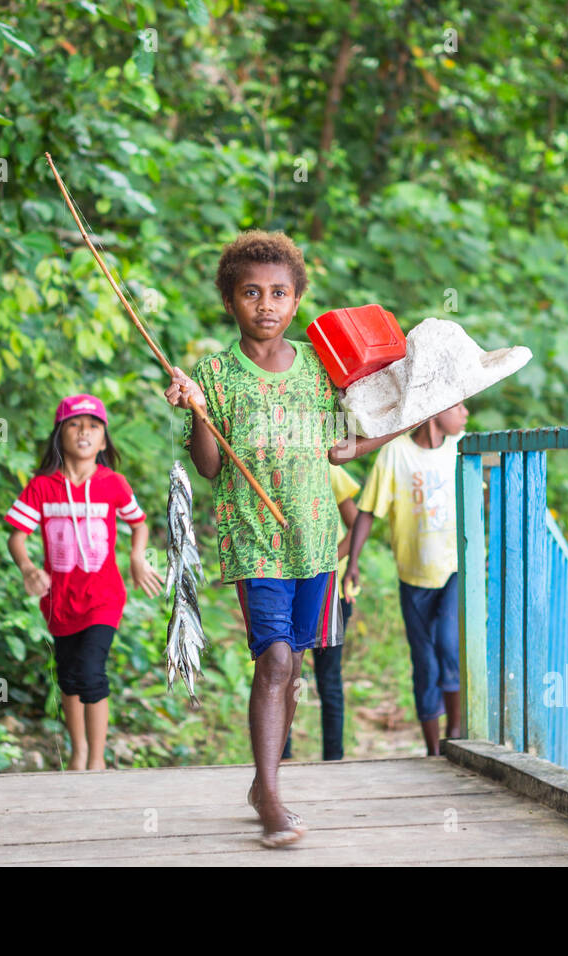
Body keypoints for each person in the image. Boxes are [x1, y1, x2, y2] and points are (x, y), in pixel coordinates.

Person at [163, 230, 413, 847]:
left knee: (293, 662)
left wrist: (372, 437)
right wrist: (198, 411)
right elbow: (210, 467)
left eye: (279, 292)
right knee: (273, 658)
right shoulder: (216, 375)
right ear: (231, 300)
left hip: (314, 541)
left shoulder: (320, 370)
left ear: (297, 299)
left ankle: (263, 780)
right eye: (251, 293)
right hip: (255, 542)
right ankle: (271, 794)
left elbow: (350, 438)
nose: (265, 305)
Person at [4, 394, 163, 771]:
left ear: (104, 440)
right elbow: (16, 536)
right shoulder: (42, 487)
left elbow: (138, 524)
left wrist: (136, 557)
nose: (84, 432)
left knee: (91, 672)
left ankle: (97, 762)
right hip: (59, 600)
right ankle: (77, 756)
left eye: (93, 426)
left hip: (104, 598)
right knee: (69, 676)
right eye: (74, 425)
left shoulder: (114, 484)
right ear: (60, 435)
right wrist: (28, 568)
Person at [342, 402, 469, 756]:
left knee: (447, 643)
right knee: (424, 661)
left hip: (453, 570)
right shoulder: (394, 454)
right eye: (458, 405)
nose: (465, 413)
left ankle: (455, 734)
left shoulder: (462, 448)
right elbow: (367, 512)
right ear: (435, 408)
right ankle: (434, 751)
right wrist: (352, 563)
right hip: (413, 577)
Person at [281, 464, 360, 762]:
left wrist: (326, 561)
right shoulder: (274, 464)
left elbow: (356, 525)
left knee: (328, 677)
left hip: (331, 591)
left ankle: (334, 758)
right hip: (286, 588)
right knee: (283, 671)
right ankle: (282, 754)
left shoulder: (329, 468)